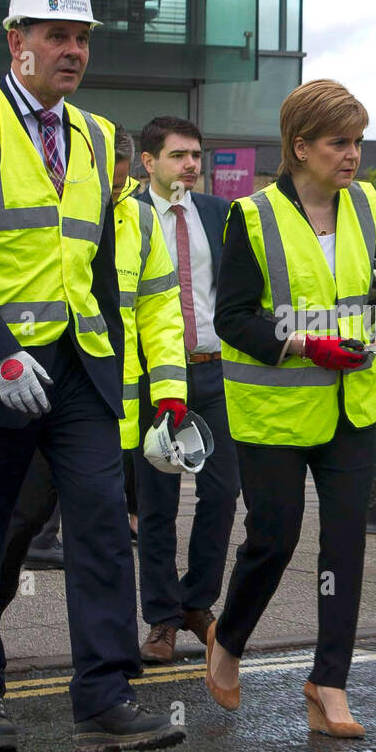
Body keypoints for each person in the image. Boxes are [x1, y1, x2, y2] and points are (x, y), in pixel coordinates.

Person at [0, 0, 184, 752]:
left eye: (81, 39)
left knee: (102, 527)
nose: (71, 52)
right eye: (55, 36)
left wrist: (123, 368)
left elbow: (101, 264)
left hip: (79, 370)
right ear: (16, 40)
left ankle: (102, 697)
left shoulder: (100, 137)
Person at [204, 79, 376, 737]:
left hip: (353, 407)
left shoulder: (366, 206)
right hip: (274, 414)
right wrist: (303, 342)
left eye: (358, 141)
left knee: (345, 547)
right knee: (274, 538)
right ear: (300, 146)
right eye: (339, 143)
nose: (353, 155)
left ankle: (329, 684)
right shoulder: (252, 216)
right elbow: (232, 319)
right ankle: (228, 640)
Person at [0, 125, 188, 621]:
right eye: (108, 182)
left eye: (123, 183)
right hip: (40, 396)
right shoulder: (55, 211)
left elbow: (161, 312)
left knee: (104, 538)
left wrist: (169, 393)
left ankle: (108, 660)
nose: (115, 192)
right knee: (16, 526)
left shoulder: (141, 221)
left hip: (107, 413)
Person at [132, 116, 241, 665]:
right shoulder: (125, 216)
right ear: (149, 162)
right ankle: (161, 620)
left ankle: (197, 602)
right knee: (157, 505)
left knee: (222, 494)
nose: (192, 165)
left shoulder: (219, 216)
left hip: (215, 371)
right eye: (179, 156)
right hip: (156, 377)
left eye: (197, 155)